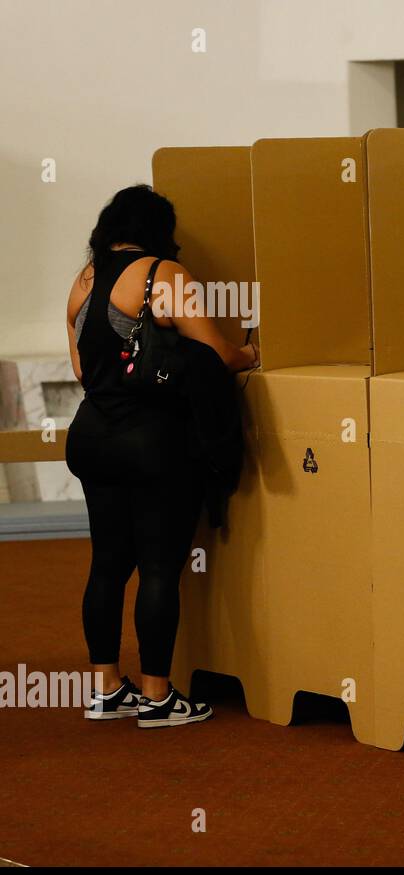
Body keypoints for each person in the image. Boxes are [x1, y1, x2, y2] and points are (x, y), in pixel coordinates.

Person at [64, 184, 257, 727]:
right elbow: (216, 354)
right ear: (158, 230)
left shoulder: (83, 281)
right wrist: (251, 353)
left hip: (91, 438)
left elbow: (81, 369)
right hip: (153, 442)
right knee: (157, 568)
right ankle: (158, 695)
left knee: (106, 565)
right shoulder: (162, 275)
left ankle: (106, 688)